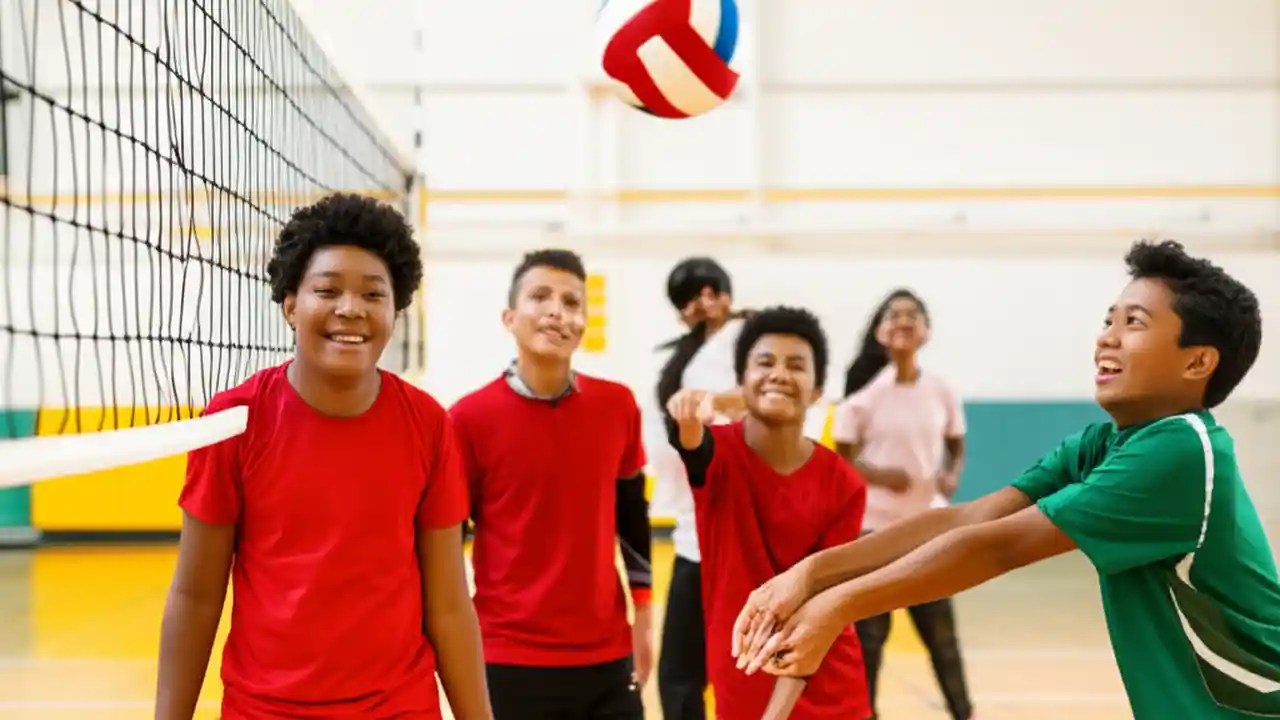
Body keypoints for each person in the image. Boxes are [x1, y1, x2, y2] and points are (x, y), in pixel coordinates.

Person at [731, 240, 1280, 719]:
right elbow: (971, 516)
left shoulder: (1182, 449)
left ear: (1197, 362)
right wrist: (810, 575)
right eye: (1107, 321)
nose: (1106, 339)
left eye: (1133, 323)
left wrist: (837, 604)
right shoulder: (1105, 443)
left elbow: (995, 547)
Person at [156, 193, 491, 720]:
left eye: (373, 294)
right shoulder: (233, 421)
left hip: (398, 708)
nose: (350, 308)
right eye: (327, 290)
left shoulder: (428, 425)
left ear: (395, 311)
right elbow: (197, 595)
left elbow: (449, 605)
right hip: (266, 709)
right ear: (290, 303)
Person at [449, 249, 653, 720]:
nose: (558, 311)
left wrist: (643, 617)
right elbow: (449, 542)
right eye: (540, 297)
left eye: (572, 302)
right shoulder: (467, 419)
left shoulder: (617, 405)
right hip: (506, 656)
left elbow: (632, 517)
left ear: (584, 323)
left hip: (606, 653)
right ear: (510, 317)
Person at [666, 306, 872, 720]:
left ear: (816, 391)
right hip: (744, 686)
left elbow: (825, 610)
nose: (779, 373)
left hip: (827, 689)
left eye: (796, 365)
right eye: (765, 362)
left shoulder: (844, 485)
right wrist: (686, 409)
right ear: (742, 384)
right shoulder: (718, 456)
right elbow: (689, 439)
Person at [832, 289, 974, 720]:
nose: (904, 320)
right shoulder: (863, 396)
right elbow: (843, 458)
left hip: (926, 530)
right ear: (880, 332)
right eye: (894, 315)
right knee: (870, 637)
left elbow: (956, 445)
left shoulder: (941, 390)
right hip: (874, 530)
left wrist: (951, 475)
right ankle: (864, 714)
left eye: (913, 314)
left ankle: (964, 712)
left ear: (925, 332)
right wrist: (878, 475)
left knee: (941, 635)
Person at [646, 256, 746, 720]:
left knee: (748, 670)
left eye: (713, 291)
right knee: (680, 677)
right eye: (691, 298)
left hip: (745, 537)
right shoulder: (681, 357)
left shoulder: (752, 337)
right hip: (692, 537)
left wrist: (715, 401)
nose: (704, 304)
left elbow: (773, 396)